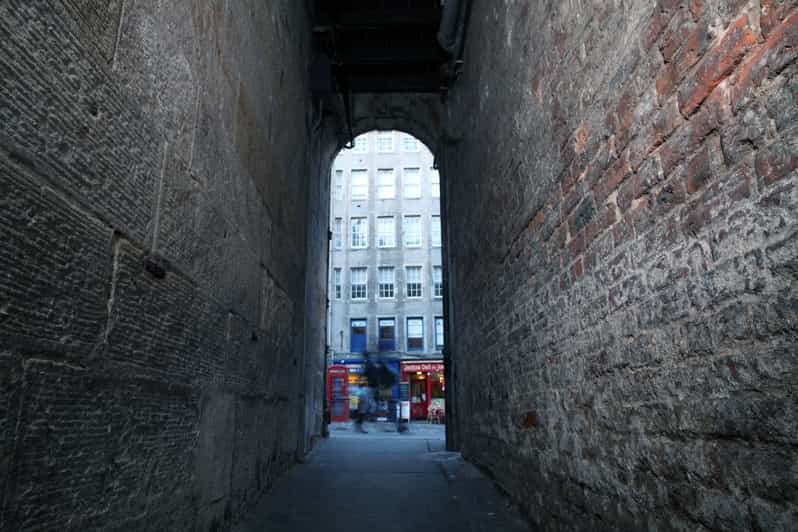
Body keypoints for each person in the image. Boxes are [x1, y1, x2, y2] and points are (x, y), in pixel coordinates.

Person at [355, 354, 379, 433]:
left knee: (366, 407)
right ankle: (359, 424)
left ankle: (359, 424)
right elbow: (364, 374)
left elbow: (362, 374)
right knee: (369, 406)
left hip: (370, 388)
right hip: (369, 389)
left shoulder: (368, 365)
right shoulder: (369, 365)